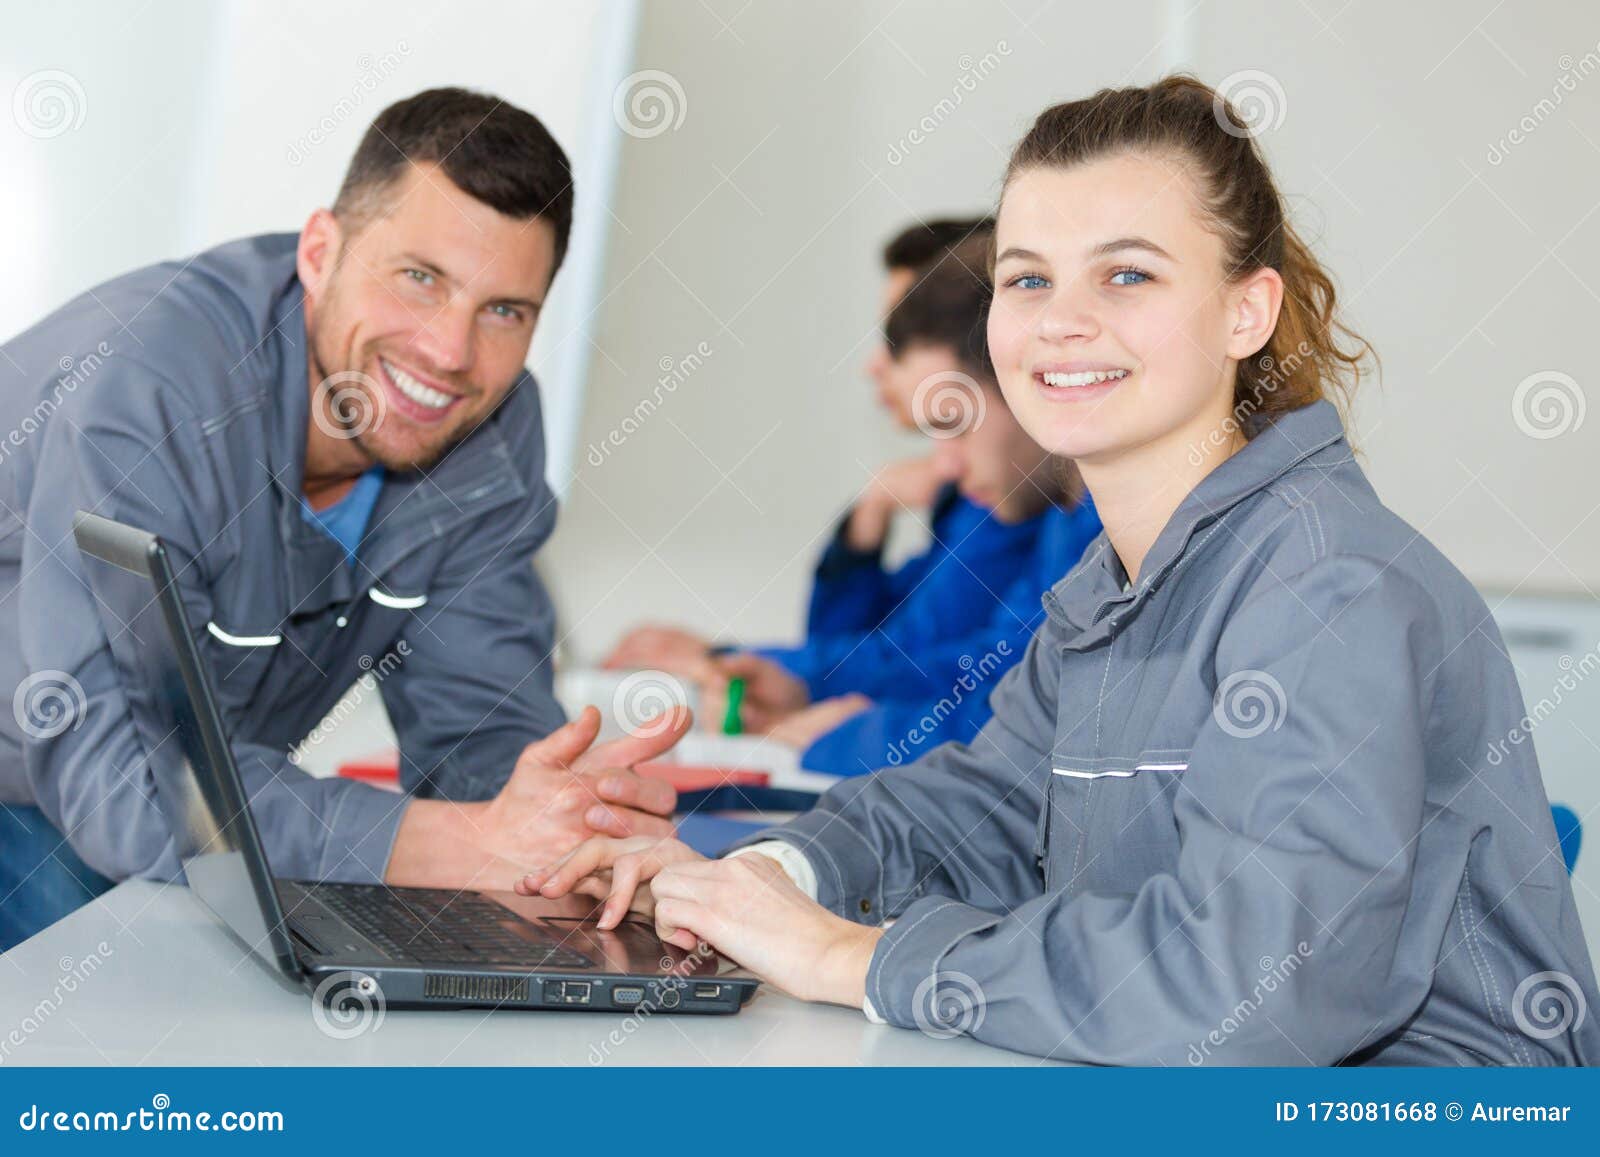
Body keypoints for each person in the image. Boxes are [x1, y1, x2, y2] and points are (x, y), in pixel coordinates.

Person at [522, 76, 1600, 1065]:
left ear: (1246, 310)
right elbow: (982, 805)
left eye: (1126, 273)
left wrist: (850, 958)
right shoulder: (1117, 581)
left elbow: (1253, 993)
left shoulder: (1329, 585)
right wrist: (765, 877)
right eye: (1026, 276)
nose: (1062, 319)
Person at [0, 88, 681, 951]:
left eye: (504, 311)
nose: (450, 353)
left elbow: (483, 729)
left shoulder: (491, 433)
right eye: (420, 278)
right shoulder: (156, 389)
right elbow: (126, 784)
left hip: (177, 825)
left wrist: (566, 827)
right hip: (42, 792)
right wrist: (463, 842)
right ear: (321, 251)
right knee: (131, 988)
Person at [601, 218, 1048, 703]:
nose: (877, 365)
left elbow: (928, 657)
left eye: (900, 340)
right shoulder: (980, 482)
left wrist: (752, 668)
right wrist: (867, 520)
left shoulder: (1014, 494)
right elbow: (863, 636)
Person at [709, 238, 1101, 772]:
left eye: (954, 423)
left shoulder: (1105, 516)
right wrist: (804, 682)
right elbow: (987, 663)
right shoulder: (1060, 511)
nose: (947, 463)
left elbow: (1038, 729)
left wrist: (849, 732)